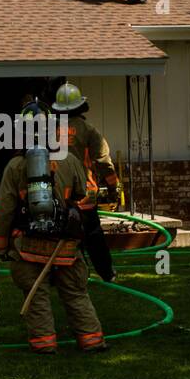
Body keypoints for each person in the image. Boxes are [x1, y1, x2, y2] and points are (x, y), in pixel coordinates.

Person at [0, 107, 107, 354]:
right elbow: (85, 199)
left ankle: (44, 345)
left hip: (28, 247)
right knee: (76, 294)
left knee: (37, 298)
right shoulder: (70, 160)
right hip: (65, 246)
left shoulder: (15, 166)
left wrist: (1, 245)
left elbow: (4, 210)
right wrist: (77, 226)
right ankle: (92, 341)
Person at [53, 82, 119, 281]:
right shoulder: (89, 130)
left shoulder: (51, 130)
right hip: (85, 192)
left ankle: (62, 275)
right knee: (93, 234)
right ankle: (107, 273)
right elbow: (104, 162)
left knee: (62, 234)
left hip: (57, 192)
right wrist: (112, 187)